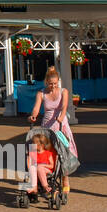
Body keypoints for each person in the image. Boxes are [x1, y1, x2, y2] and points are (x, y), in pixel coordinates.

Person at [28, 66, 77, 195]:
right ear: (46, 82)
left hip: (60, 124)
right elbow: (36, 108)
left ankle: (65, 179)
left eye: (55, 84)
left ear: (58, 82)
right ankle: (43, 177)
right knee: (48, 152)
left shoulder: (63, 92)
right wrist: (33, 115)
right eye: (50, 84)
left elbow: (64, 106)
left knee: (63, 152)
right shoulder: (42, 93)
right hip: (47, 126)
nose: (53, 86)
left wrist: (61, 117)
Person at [27, 131, 59, 203]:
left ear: (41, 145)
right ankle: (34, 187)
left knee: (39, 167)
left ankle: (45, 186)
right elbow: (29, 162)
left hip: (47, 170)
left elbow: (52, 165)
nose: (32, 145)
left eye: (34, 143)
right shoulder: (33, 152)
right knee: (33, 167)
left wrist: (42, 165)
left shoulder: (48, 153)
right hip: (35, 170)